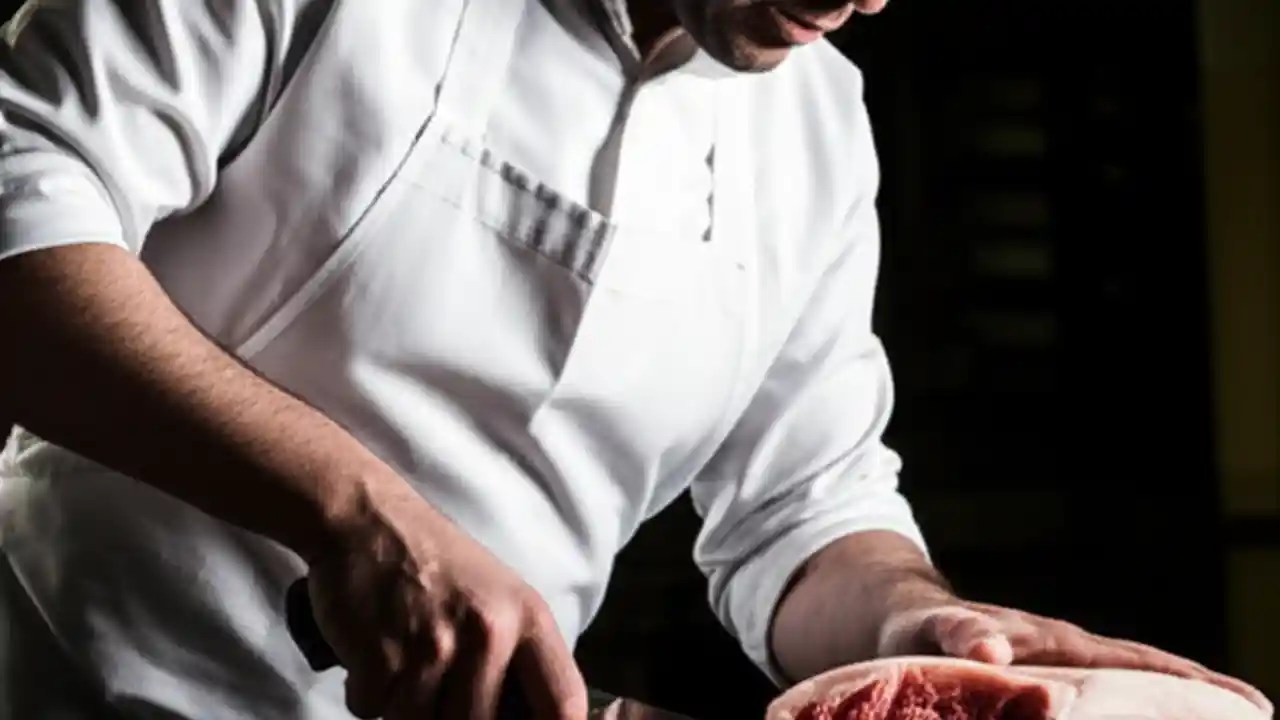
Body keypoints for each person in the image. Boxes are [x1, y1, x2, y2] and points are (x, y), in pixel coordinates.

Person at [0, 0, 1268, 718]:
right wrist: (359, 515)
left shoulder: (818, 123)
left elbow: (804, 508)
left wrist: (916, 621)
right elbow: (21, 220)